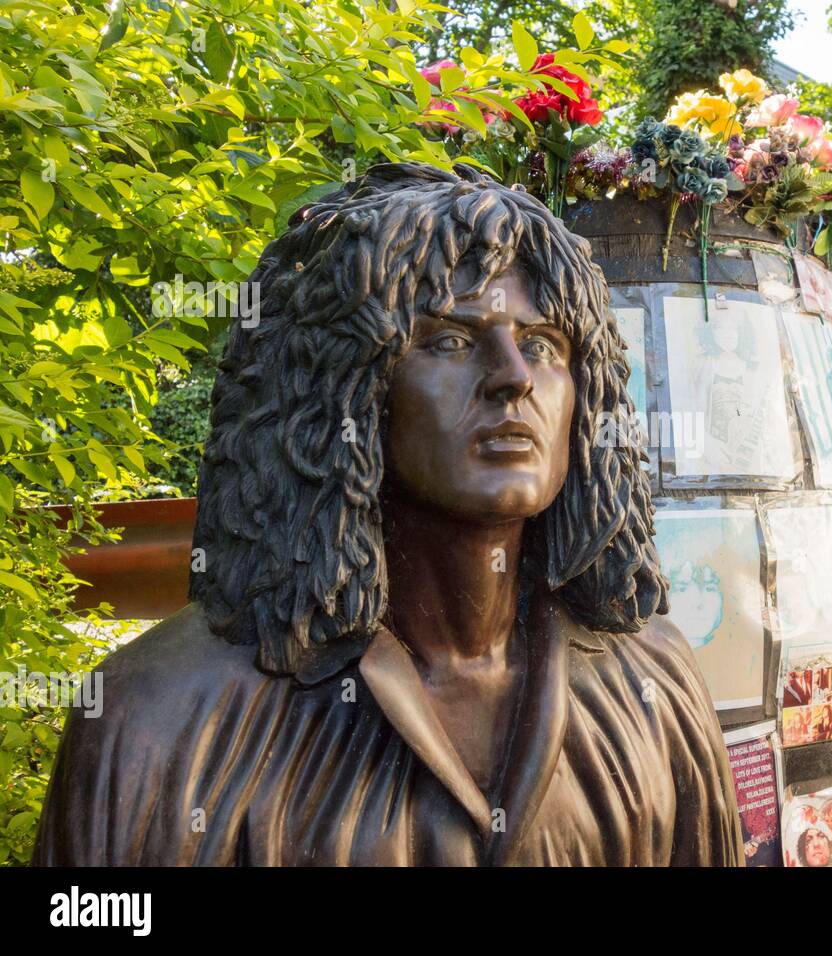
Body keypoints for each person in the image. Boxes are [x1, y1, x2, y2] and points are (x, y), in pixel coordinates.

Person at [35, 163, 743, 867]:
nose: (513, 378)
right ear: (341, 390)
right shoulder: (161, 714)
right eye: (450, 342)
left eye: (541, 345)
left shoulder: (656, 681)